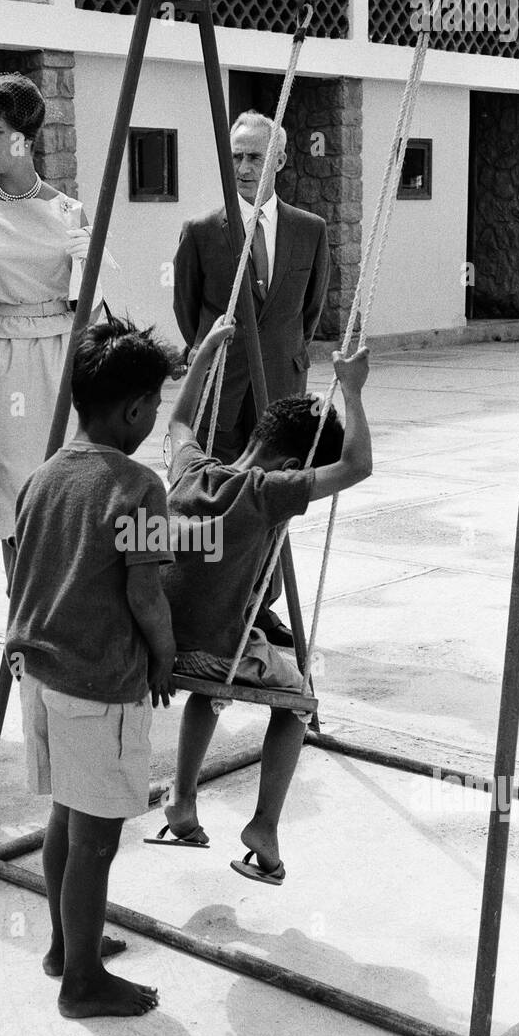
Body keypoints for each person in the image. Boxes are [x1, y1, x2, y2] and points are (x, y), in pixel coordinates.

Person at [149, 318, 371, 884]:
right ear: (294, 470)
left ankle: (182, 800)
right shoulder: (266, 494)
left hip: (157, 644)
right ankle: (264, 827)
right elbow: (357, 467)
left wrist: (205, 355)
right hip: (209, 653)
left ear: (254, 439)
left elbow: (178, 420)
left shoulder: (191, 470)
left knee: (239, 660)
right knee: (299, 697)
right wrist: (352, 390)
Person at [4, 317, 184, 1018]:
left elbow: (28, 570)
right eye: (155, 407)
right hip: (100, 684)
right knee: (98, 839)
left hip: (39, 672)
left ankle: (63, 947)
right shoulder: (138, 487)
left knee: (66, 818)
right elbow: (144, 591)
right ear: (136, 409)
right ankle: (81, 982)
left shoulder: (43, 476)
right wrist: (163, 657)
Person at [173, 110, 331, 646]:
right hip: (222, 389)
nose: (243, 166)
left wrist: (281, 354)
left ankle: (263, 604)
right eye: (236, 156)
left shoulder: (310, 230)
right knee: (216, 495)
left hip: (281, 390)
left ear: (280, 161)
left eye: (254, 157)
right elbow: (187, 308)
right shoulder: (200, 231)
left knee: (274, 499)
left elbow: (309, 313)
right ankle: (214, 601)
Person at [0, 73, 97, 562]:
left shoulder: (71, 212)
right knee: (16, 512)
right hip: (0, 364)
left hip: (60, 363)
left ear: (24, 139)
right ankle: (22, 628)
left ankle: (62, 627)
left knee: (66, 504)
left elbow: (89, 305)